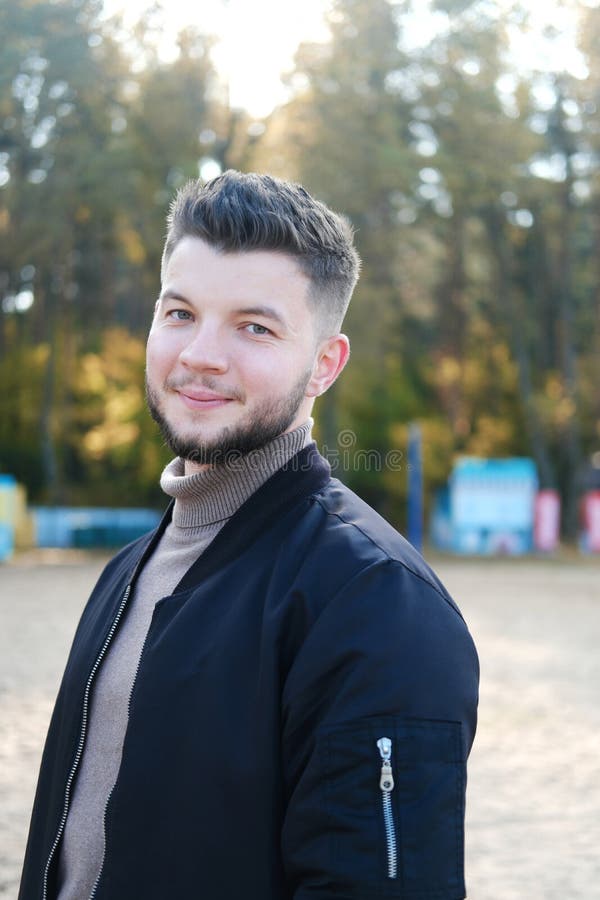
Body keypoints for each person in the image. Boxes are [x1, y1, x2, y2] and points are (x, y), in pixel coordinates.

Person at [19, 171, 479, 900]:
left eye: (254, 327)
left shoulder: (376, 602)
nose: (201, 353)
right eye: (179, 313)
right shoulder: (127, 573)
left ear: (324, 366)